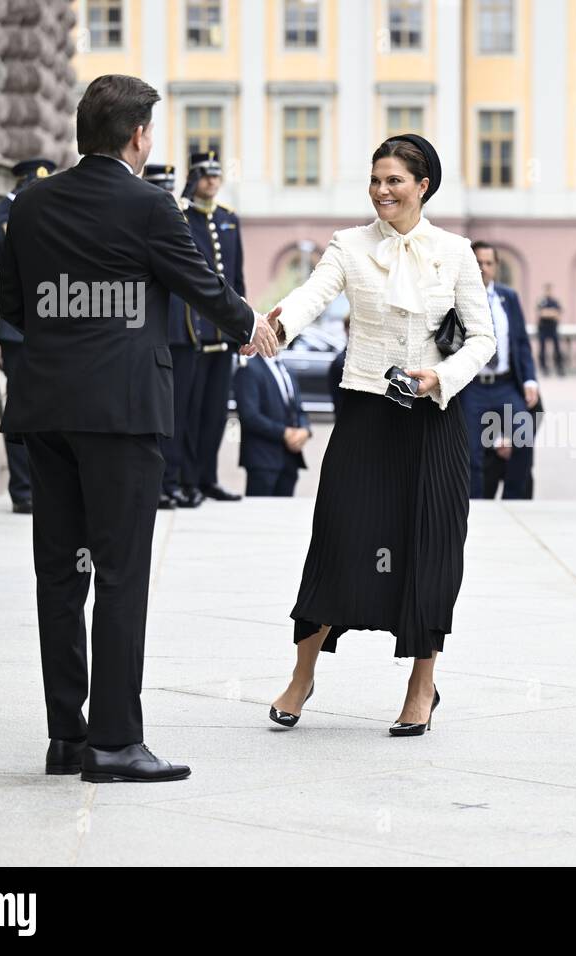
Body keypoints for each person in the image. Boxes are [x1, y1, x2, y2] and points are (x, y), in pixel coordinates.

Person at [0, 74, 278, 783]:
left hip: (49, 412)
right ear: (138, 136)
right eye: (150, 131)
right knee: (121, 575)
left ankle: (67, 737)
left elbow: (18, 309)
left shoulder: (30, 205)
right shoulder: (151, 205)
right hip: (121, 415)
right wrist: (250, 326)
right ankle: (115, 743)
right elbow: (198, 285)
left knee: (59, 575)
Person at [264, 135, 496, 736]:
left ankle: (422, 687)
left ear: (423, 186)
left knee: (431, 549)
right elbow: (311, 298)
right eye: (376, 180)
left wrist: (438, 377)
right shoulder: (348, 245)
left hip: (434, 419)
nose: (382, 190)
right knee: (338, 539)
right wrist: (275, 325)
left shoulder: (457, 251)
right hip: (367, 415)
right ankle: (302, 674)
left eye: (395, 180)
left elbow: (482, 339)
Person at [0, 157, 56, 515]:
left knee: (49, 415)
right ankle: (22, 491)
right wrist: (13, 198)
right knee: (21, 413)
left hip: (51, 328)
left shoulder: (48, 218)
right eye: (30, 186)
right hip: (17, 333)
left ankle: (43, 487)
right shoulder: (9, 219)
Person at [181, 150, 245, 505]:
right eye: (205, 175)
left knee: (216, 415)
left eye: (216, 176)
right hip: (195, 332)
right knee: (190, 413)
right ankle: (188, 480)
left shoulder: (229, 219)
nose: (211, 182)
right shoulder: (182, 217)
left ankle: (208, 477)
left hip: (223, 334)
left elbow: (236, 281)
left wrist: (243, 329)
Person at [142, 163, 201, 510]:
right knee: (156, 417)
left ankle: (173, 480)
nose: (166, 195)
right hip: (152, 332)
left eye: (170, 189)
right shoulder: (140, 218)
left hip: (183, 332)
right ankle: (158, 483)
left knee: (180, 416)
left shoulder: (179, 218)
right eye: (159, 188)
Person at [460, 241, 539, 500]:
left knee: (523, 438)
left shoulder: (509, 297)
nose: (483, 268)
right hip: (473, 387)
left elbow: (521, 342)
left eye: (488, 263)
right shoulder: (457, 297)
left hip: (506, 385)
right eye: (478, 263)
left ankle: (515, 501)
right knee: (472, 451)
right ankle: (475, 504)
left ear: (496, 266)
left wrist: (530, 380)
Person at [234, 353, 310, 496]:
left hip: (290, 460)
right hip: (262, 460)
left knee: (284, 515)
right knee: (259, 514)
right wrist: (284, 433)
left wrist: (305, 430)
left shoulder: (287, 369)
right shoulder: (249, 368)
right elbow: (250, 416)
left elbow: (298, 409)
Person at [536, 283, 565, 376]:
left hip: (553, 328)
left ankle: (559, 367)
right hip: (543, 329)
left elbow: (558, 314)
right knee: (542, 350)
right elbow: (541, 313)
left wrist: (548, 313)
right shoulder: (541, 301)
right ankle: (544, 368)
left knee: (557, 349)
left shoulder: (555, 302)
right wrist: (551, 313)